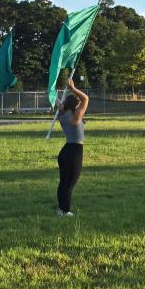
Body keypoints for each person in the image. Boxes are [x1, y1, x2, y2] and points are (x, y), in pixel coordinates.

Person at [56, 78, 90, 216]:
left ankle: (61, 209)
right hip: (74, 152)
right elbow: (86, 99)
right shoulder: (75, 116)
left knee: (63, 182)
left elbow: (58, 103)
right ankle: (66, 211)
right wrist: (73, 89)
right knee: (70, 184)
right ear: (75, 104)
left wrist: (57, 97)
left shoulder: (61, 115)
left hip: (65, 151)